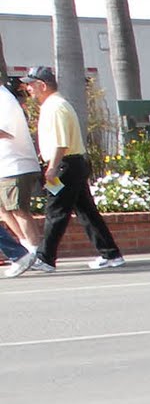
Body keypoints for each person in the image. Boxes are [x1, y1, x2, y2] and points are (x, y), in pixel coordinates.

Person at [16, 66, 124, 276]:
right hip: (71, 165)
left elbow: (60, 142)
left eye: (31, 84)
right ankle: (111, 254)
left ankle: (46, 258)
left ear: (43, 85)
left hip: (64, 165)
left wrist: (53, 167)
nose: (28, 88)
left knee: (55, 211)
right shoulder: (56, 105)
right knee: (86, 212)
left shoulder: (55, 107)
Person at [0, 75, 42, 277]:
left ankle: (35, 253)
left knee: (18, 210)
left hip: (15, 165)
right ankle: (25, 252)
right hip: (4, 167)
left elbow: (5, 131)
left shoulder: (4, 100)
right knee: (4, 210)